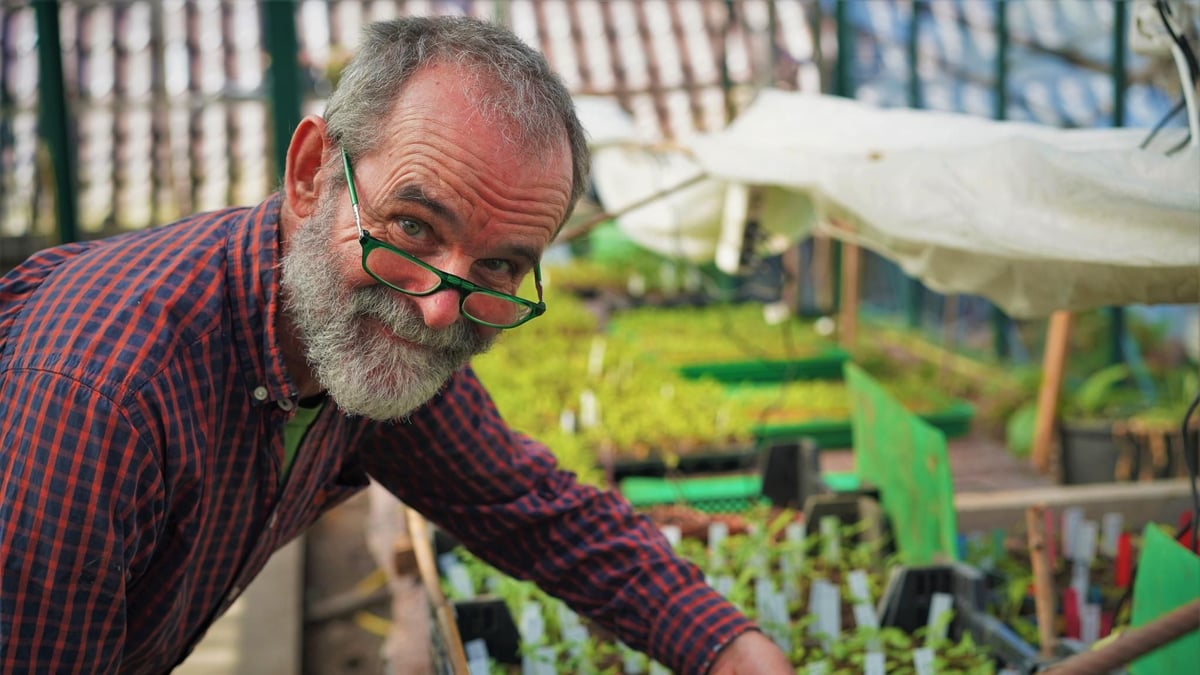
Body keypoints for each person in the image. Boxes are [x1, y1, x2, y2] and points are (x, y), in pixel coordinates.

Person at [0, 16, 792, 675]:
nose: (442, 308)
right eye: (413, 226)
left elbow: (525, 506)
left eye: (498, 265)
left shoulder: (362, 338)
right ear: (313, 173)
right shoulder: (99, 401)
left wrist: (727, 644)